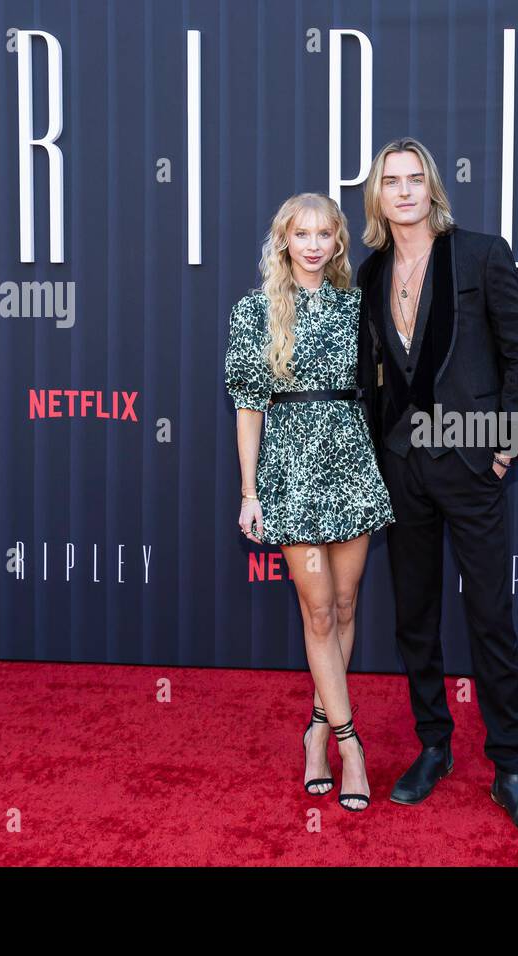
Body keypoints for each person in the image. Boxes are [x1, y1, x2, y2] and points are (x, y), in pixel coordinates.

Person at [354, 138, 518, 838]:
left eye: (415, 179)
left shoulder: (479, 253)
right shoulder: (371, 270)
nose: (404, 191)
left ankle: (508, 768)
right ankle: (434, 747)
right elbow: (371, 376)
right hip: (402, 468)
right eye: (391, 182)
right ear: (377, 196)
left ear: (433, 188)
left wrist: (502, 446)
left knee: (490, 618)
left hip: (471, 464)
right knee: (415, 616)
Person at [225, 192, 394, 812]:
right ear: (284, 241)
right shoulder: (255, 312)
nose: (316, 243)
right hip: (290, 472)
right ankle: (349, 745)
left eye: (327, 232)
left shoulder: (358, 309)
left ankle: (316, 728)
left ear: (338, 241)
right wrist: (250, 493)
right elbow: (248, 408)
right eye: (304, 233)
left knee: (346, 604)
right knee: (318, 611)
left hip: (349, 464)